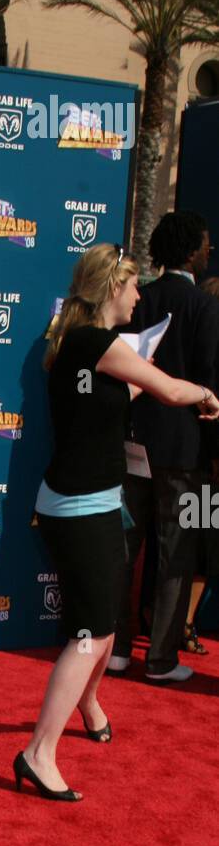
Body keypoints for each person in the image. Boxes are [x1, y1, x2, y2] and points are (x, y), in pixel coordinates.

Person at [16, 243, 219, 802]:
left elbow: (115, 396)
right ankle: (38, 753)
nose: (139, 296)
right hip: (79, 509)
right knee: (92, 632)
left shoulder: (84, 347)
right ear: (112, 288)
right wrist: (205, 394)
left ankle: (87, 701)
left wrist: (146, 373)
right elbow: (170, 390)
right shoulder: (93, 341)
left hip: (96, 502)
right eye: (132, 287)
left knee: (104, 623)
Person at [110, 211, 219, 683]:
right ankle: (161, 659)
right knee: (180, 550)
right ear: (193, 250)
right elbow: (211, 382)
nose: (209, 251)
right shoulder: (205, 306)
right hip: (188, 453)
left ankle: (113, 650)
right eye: (207, 244)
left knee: (124, 545)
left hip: (132, 442)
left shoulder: (142, 297)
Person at [182, 273, 219, 651]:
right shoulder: (207, 370)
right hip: (206, 473)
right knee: (201, 550)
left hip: (197, 467)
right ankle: (186, 623)